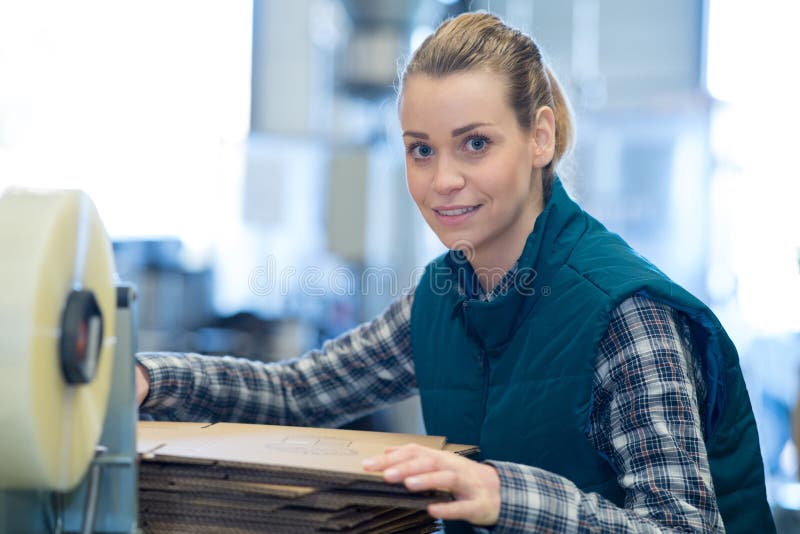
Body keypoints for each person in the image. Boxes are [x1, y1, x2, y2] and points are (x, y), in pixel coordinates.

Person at [135, 11, 775, 533]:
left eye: (475, 143)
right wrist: (145, 378)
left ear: (540, 138)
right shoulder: (444, 296)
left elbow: (684, 529)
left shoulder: (624, 314)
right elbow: (298, 393)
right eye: (421, 150)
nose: (442, 181)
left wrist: (504, 493)